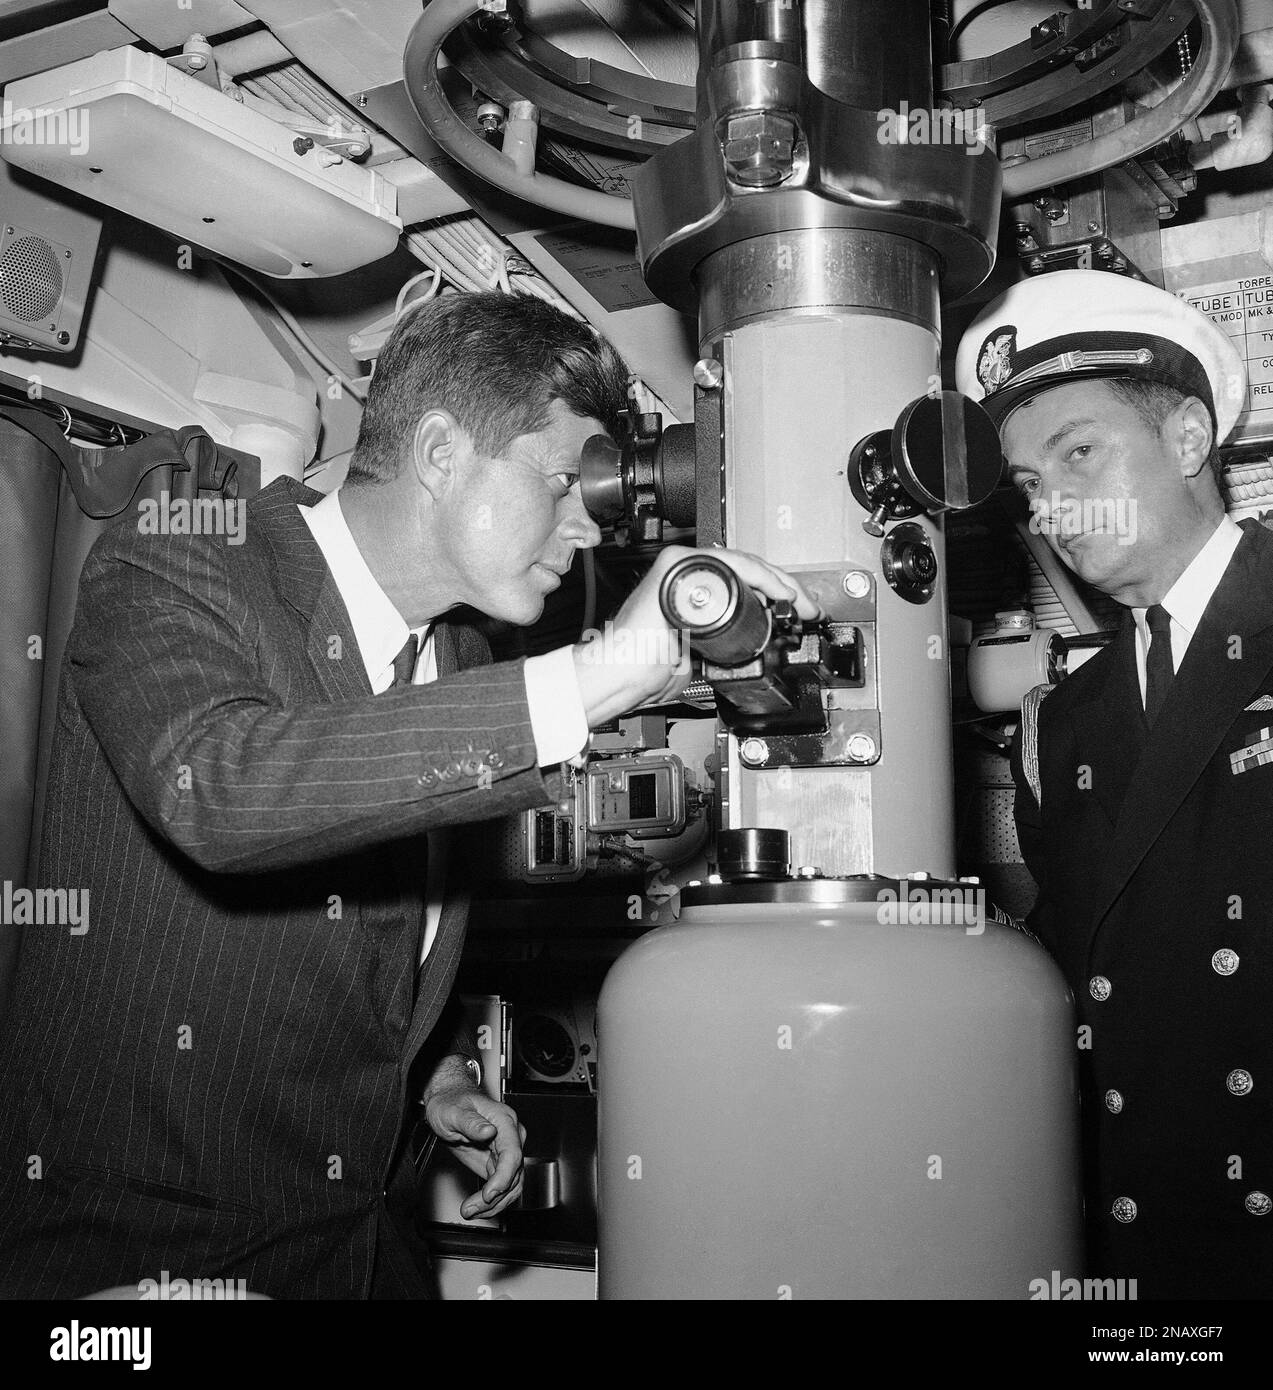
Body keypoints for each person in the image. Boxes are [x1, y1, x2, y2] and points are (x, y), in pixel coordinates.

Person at [0, 291, 819, 1299]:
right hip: (139, 1262)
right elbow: (220, 789)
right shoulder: (181, 560)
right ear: (439, 452)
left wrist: (432, 1073)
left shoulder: (461, 655)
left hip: (347, 1246)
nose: (584, 526)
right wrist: (603, 669)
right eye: (564, 482)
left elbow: (363, 900)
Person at [956, 269, 1272, 1300]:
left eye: (1078, 452)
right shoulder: (1063, 718)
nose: (1053, 508)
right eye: (1031, 487)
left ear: (1187, 441)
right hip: (1143, 1245)